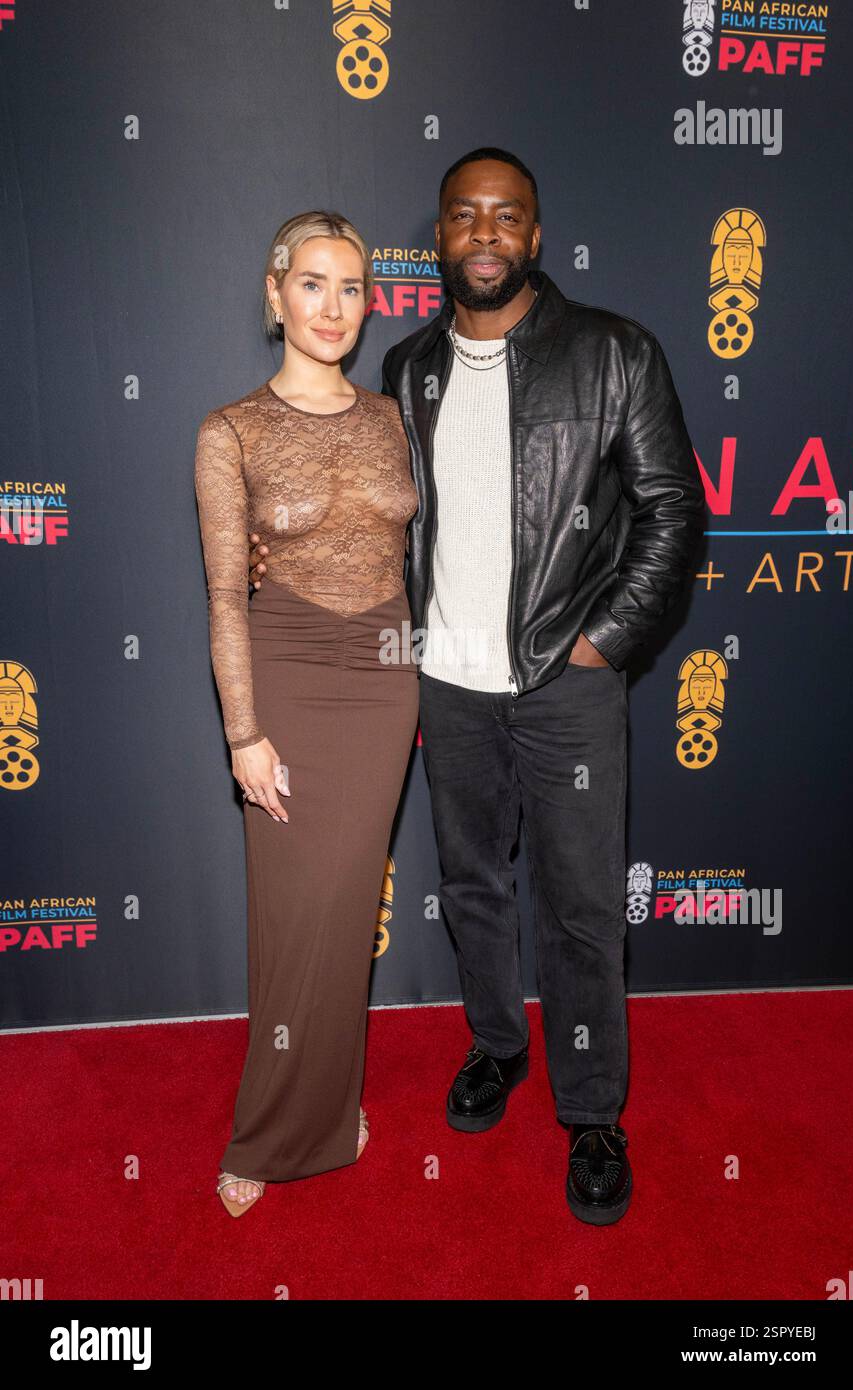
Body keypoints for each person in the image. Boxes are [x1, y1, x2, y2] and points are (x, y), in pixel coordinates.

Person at [248, 147, 706, 1226]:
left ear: (535, 237)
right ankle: (498, 1046)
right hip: (442, 685)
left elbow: (672, 513)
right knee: (474, 889)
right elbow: (371, 514)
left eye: (508, 216)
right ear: (440, 237)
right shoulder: (409, 368)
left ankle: (590, 1109)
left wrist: (598, 643)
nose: (487, 233)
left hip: (566, 683)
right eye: (465, 216)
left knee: (584, 910)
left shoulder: (613, 352)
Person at [194, 211, 419, 1217]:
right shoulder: (228, 430)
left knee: (342, 912)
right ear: (276, 292)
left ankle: (329, 1108)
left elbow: (407, 565)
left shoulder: (386, 418)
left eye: (353, 287)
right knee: (292, 916)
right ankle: (265, 1135)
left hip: (382, 681)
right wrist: (243, 730)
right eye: (314, 284)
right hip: (282, 674)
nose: (335, 307)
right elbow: (222, 599)